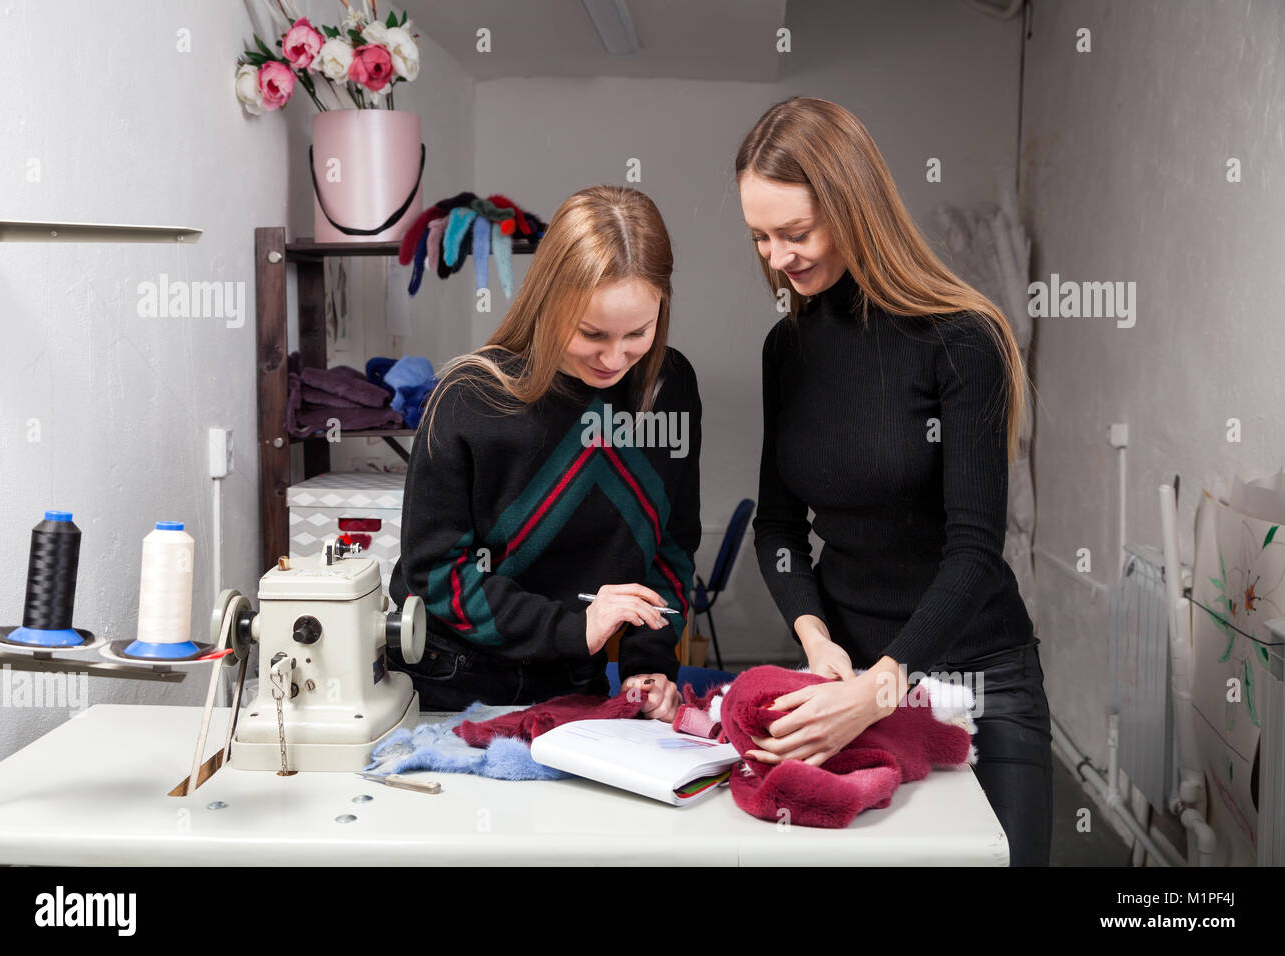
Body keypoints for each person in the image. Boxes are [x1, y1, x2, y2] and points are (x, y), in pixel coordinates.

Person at [736, 97, 1052, 865]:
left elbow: (974, 550)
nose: (777, 257)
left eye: (796, 233)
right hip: (842, 681)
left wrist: (884, 686)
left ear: (854, 205)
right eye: (760, 238)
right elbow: (777, 528)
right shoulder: (789, 349)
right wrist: (814, 638)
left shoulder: (963, 338)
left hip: (976, 680)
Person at [387, 185, 701, 723]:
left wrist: (647, 664)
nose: (613, 358)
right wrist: (572, 628)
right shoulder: (469, 395)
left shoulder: (667, 387)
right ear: (548, 299)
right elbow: (434, 573)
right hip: (453, 677)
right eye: (591, 333)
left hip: (573, 678)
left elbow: (671, 547)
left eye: (638, 334)